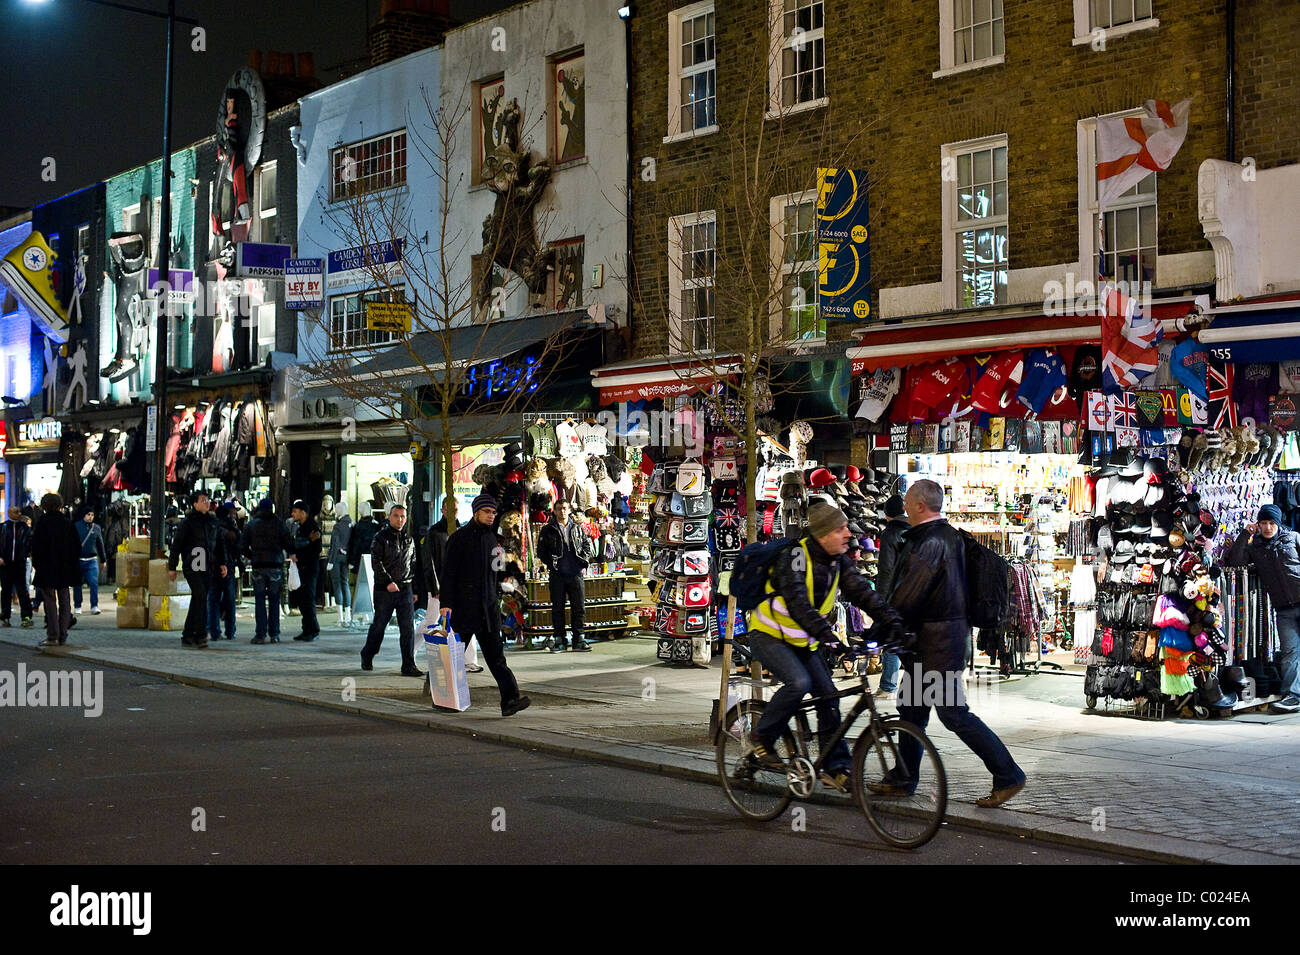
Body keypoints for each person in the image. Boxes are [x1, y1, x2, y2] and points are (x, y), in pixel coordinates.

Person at [883, 478, 1027, 808]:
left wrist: (882, 625)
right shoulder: (944, 536)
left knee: (953, 715)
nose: (903, 506)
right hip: (930, 646)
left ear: (920, 505)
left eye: (907, 501)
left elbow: (909, 595)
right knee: (910, 712)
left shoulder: (932, 541)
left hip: (938, 648)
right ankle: (904, 778)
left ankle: (1008, 774)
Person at [746, 501, 905, 791]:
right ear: (822, 535)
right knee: (798, 682)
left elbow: (860, 592)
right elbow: (797, 602)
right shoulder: (795, 555)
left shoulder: (838, 559)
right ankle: (761, 738)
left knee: (829, 696)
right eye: (841, 529)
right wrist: (830, 638)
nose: (848, 534)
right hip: (768, 634)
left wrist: (893, 621)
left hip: (802, 639)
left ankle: (835, 768)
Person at [440, 494, 530, 716]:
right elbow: (448, 573)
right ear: (476, 513)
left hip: (488, 610)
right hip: (464, 609)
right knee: (454, 658)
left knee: (497, 658)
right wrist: (446, 603)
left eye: (493, 512)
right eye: (487, 512)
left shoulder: (493, 540)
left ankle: (510, 700)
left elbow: (496, 572)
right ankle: (444, 698)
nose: (491, 516)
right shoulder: (459, 538)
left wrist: (507, 585)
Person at [1225, 504, 1300, 713]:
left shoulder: (1293, 538)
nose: (1268, 527)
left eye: (1271, 523)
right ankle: (1293, 696)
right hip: (1283, 608)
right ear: (1258, 524)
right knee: (1290, 652)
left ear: (1278, 523)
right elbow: (1236, 561)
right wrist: (1244, 534)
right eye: (1263, 523)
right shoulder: (1255, 547)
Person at [360, 503, 423, 677]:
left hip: (405, 589)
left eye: (403, 516)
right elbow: (376, 562)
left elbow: (413, 565)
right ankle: (368, 654)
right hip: (384, 590)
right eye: (396, 516)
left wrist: (415, 588)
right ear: (389, 517)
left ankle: (408, 664)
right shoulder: (380, 538)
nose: (400, 520)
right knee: (379, 626)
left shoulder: (409, 539)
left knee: (408, 628)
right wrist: (387, 581)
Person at [424, 496, 482, 672]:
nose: (452, 513)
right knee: (430, 622)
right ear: (442, 510)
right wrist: (435, 588)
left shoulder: (462, 531)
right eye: (449, 510)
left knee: (465, 621)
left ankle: (469, 660)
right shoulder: (434, 533)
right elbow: (430, 563)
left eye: (455, 510)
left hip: (459, 588)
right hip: (440, 587)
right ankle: (410, 651)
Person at [537, 499, 595, 652]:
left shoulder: (577, 528)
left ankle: (579, 639)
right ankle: (559, 639)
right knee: (557, 608)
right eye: (559, 509)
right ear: (554, 511)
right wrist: (552, 563)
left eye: (564, 508)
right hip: (557, 575)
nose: (562, 511)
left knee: (579, 607)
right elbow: (541, 552)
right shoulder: (547, 530)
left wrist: (583, 560)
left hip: (575, 573)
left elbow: (587, 545)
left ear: (569, 510)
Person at [241, 498, 294, 644]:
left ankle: (260, 634)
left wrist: (253, 556)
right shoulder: (279, 524)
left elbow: (243, 545)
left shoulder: (252, 525)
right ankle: (274, 634)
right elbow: (288, 543)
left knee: (259, 601)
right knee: (274, 601)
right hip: (275, 565)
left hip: (258, 565)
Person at [31, 493, 80, 647]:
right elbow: (76, 547)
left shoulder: (42, 523)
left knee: (50, 601)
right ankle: (63, 635)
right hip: (65, 568)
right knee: (65, 600)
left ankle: (52, 635)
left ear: (44, 506)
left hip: (47, 568)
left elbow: (36, 547)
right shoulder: (67, 523)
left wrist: (38, 565)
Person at [169, 490, 217, 649]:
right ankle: (200, 635)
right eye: (203, 500)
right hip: (194, 563)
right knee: (201, 596)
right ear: (195, 504)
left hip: (208, 564)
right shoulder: (188, 523)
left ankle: (188, 635)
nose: (206, 502)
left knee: (198, 599)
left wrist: (222, 563)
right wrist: (172, 566)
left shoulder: (211, 521)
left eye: (207, 500)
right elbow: (177, 545)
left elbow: (217, 543)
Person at [873, 494, 909, 701]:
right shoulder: (912, 531)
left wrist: (879, 600)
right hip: (911, 593)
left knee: (891, 639)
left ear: (887, 515)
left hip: (894, 594)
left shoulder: (890, 534)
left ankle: (888, 686)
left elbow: (886, 570)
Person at [207, 501, 241, 641]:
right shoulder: (232, 530)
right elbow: (239, 547)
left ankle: (214, 631)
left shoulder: (212, 527)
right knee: (230, 601)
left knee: (213, 600)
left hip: (214, 567)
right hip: (228, 566)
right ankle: (230, 631)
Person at [289, 499, 322, 641]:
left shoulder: (312, 527)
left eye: (295, 511)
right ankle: (306, 629)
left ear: (303, 513)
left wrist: (301, 554)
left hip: (309, 568)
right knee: (302, 600)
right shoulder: (301, 527)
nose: (292, 514)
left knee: (308, 599)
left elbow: (316, 548)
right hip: (302, 567)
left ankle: (313, 630)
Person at [0, 506, 34, 627]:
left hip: (20, 563)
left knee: (22, 590)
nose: (18, 513)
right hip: (6, 564)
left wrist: (26, 555)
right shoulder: (3, 527)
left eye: (19, 512)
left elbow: (30, 542)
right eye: (15, 512)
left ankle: (26, 615)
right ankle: (5, 616)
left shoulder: (24, 528)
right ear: (9, 513)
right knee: (6, 591)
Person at [73, 507, 108, 615]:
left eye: (92, 515)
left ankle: (94, 605)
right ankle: (77, 605)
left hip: (92, 560)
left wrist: (103, 559)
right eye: (88, 514)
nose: (90, 517)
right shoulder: (76, 526)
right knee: (77, 584)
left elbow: (100, 544)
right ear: (84, 515)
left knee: (94, 583)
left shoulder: (96, 528)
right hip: (78, 559)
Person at [326, 501, 353, 626]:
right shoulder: (352, 524)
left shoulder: (338, 526)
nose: (336, 512)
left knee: (337, 584)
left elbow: (334, 545)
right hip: (347, 557)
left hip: (337, 558)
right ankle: (347, 615)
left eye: (337, 509)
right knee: (345, 583)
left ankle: (340, 617)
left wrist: (330, 561)